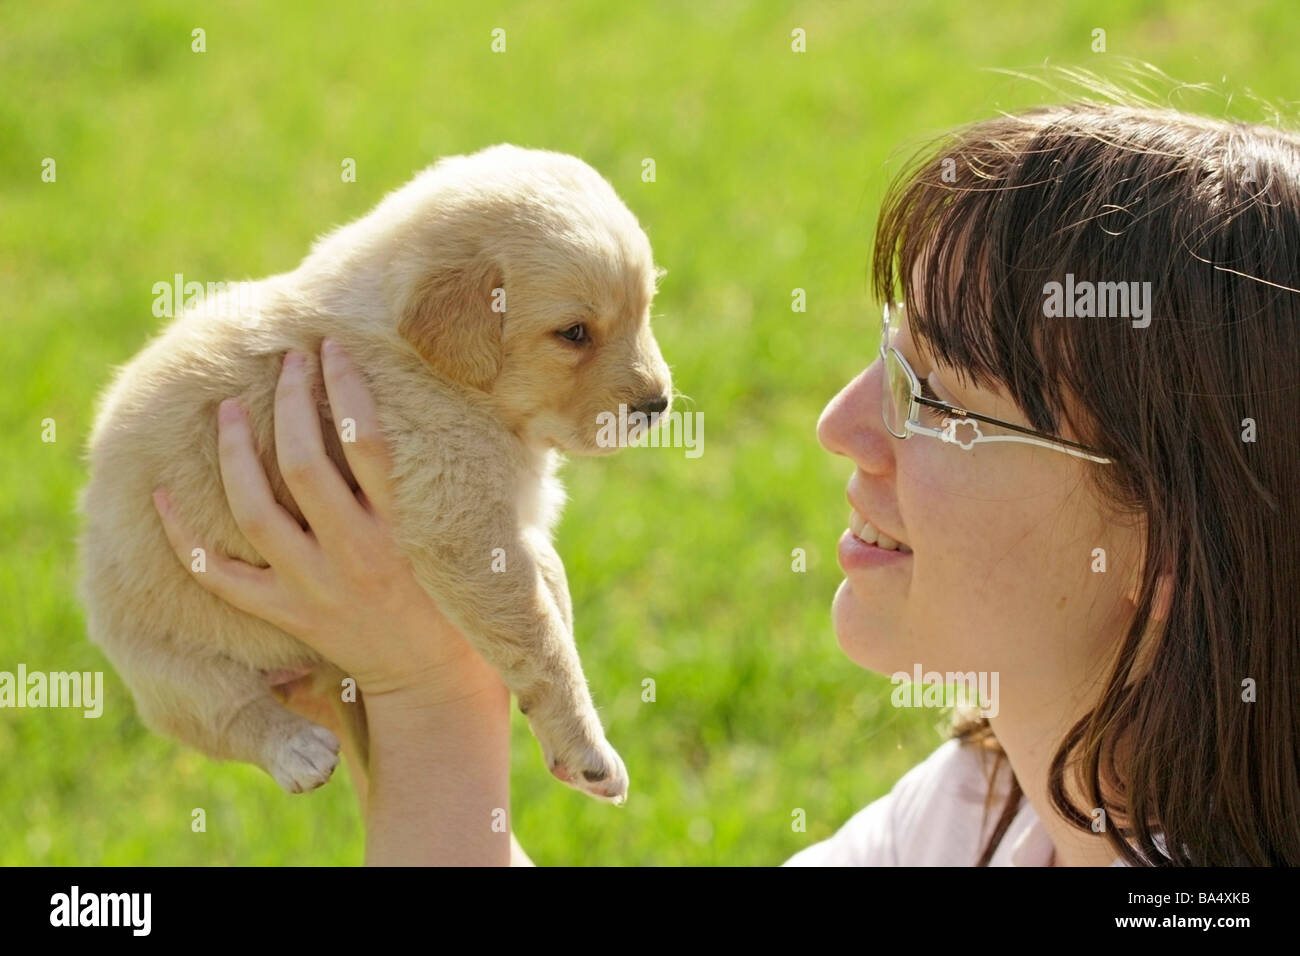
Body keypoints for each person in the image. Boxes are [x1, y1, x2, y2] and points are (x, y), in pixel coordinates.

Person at [152, 100, 1300, 866]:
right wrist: (428, 683)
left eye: (943, 399)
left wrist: (428, 689)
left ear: (1164, 544)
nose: (839, 424)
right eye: (886, 359)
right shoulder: (979, 810)